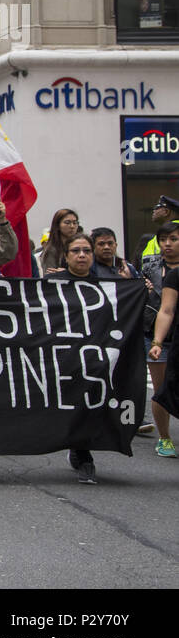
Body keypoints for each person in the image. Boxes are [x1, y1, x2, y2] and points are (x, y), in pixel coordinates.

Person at [54, 234, 111, 481]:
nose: (81, 255)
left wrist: (142, 292)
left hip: (91, 360)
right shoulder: (50, 283)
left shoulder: (110, 286)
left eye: (86, 250)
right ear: (66, 256)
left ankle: (82, 454)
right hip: (58, 358)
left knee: (86, 404)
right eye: (75, 251)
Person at [140, 220, 179, 456]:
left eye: (173, 239)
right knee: (161, 387)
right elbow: (166, 310)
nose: (167, 244)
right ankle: (164, 438)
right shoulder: (149, 266)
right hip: (156, 334)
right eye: (163, 239)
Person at [37, 208, 81, 275]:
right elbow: (49, 276)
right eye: (67, 222)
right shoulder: (51, 250)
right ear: (57, 225)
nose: (72, 226)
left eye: (75, 223)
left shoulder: (81, 246)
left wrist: (67, 272)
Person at [136, 195, 179, 264]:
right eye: (163, 239)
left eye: (157, 207)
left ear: (166, 212)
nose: (154, 211)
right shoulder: (159, 235)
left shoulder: (176, 231)